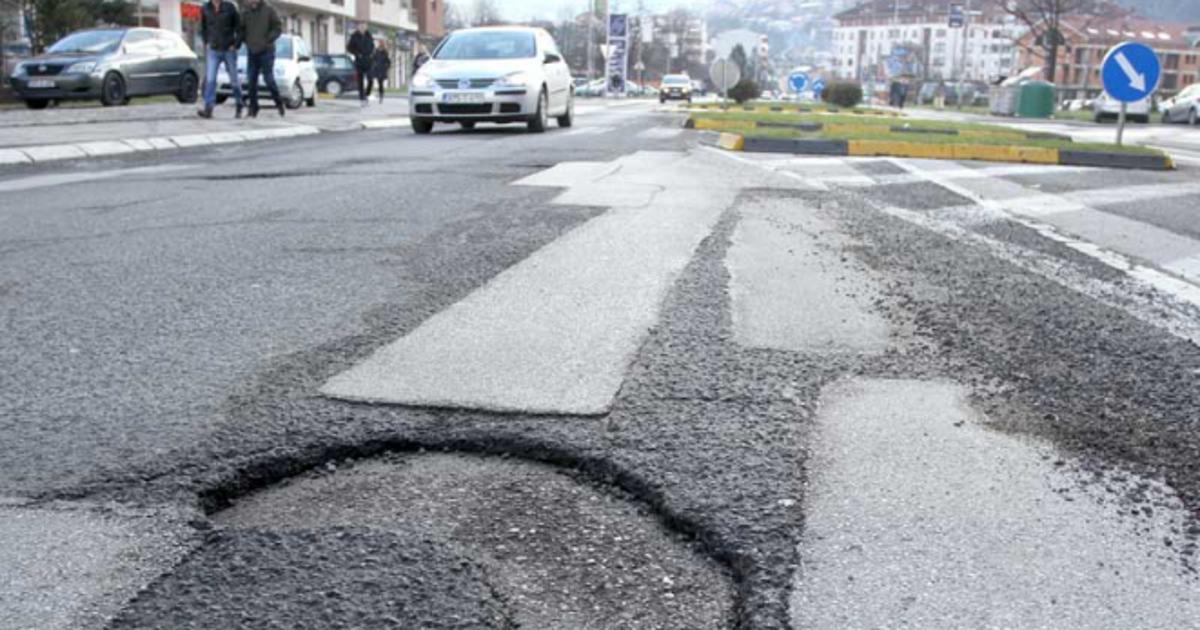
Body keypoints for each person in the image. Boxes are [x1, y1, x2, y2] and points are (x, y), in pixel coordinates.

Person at [239, 0, 285, 118]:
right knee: (251, 81)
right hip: (252, 51)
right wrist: (242, 41)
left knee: (268, 79)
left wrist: (267, 40)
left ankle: (279, 103)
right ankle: (253, 108)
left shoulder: (269, 10)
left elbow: (278, 27)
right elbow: (241, 29)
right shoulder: (246, 11)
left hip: (266, 51)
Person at [198, 0, 243, 119]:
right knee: (211, 80)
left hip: (229, 49)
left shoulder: (230, 7)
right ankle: (208, 108)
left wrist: (236, 45)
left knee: (234, 80)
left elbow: (239, 28)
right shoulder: (206, 8)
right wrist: (206, 42)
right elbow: (203, 28)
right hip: (213, 50)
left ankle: (239, 104)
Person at [347, 23, 374, 105]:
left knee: (370, 79)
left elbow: (372, 46)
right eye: (361, 26)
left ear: (366, 27)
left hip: (368, 61)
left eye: (364, 26)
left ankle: (367, 94)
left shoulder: (369, 35)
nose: (362, 28)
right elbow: (349, 48)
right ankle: (362, 97)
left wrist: (372, 54)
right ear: (358, 27)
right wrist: (357, 54)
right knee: (360, 80)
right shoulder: (354, 36)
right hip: (359, 61)